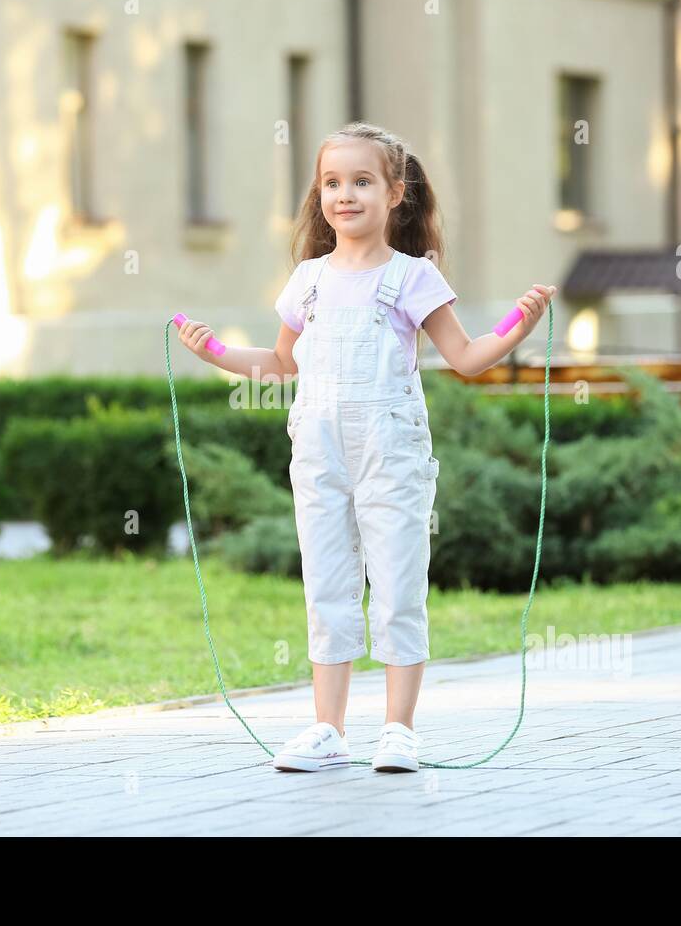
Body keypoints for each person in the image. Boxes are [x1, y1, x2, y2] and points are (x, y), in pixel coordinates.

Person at [178, 121, 554, 772]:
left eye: (360, 181)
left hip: (391, 449)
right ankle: (328, 729)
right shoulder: (309, 279)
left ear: (395, 193)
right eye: (331, 182)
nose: (343, 194)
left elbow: (465, 358)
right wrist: (213, 351)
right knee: (326, 585)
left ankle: (398, 730)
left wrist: (519, 323)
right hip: (319, 451)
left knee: (398, 583)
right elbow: (280, 362)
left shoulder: (413, 279)